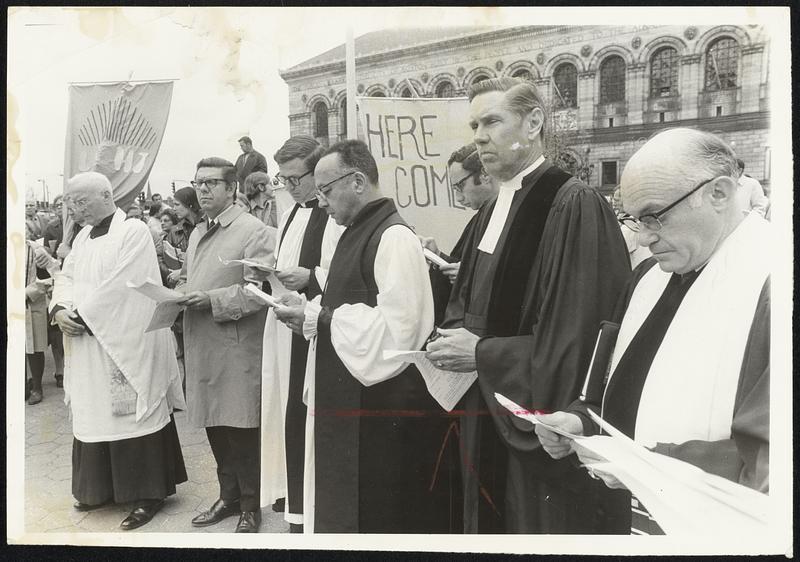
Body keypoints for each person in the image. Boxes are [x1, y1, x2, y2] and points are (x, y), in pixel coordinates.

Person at [535, 129, 770, 535]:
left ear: (719, 193)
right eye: (634, 219)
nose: (643, 238)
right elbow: (606, 384)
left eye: (654, 216)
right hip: (622, 509)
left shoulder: (772, 285)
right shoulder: (646, 277)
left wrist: (643, 463)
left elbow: (772, 464)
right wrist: (581, 423)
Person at [425, 77, 631, 534]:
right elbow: (466, 303)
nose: (478, 136)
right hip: (487, 410)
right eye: (475, 124)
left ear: (534, 121)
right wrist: (449, 339)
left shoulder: (574, 205)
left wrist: (481, 354)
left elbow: (577, 338)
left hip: (534, 424)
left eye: (493, 121)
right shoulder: (491, 209)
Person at [274, 140, 454, 533]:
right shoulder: (356, 231)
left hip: (377, 409)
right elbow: (350, 300)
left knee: (373, 513)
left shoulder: (394, 237)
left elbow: (399, 331)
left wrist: (320, 317)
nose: (320, 202)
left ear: (357, 181)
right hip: (348, 401)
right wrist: (311, 312)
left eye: (326, 190)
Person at [46, 172, 187, 531]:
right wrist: (60, 310)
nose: (74, 210)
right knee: (96, 412)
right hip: (86, 338)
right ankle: (101, 488)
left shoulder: (132, 231)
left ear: (107, 196)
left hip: (124, 340)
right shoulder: (81, 238)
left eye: (80, 201)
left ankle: (147, 494)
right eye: (70, 202)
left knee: (129, 411)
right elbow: (66, 277)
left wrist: (81, 316)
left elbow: (127, 285)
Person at [177, 157, 276, 533]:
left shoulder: (254, 230)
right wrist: (180, 290)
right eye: (198, 182)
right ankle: (228, 496)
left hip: (235, 346)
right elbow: (196, 277)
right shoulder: (199, 232)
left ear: (232, 188)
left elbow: (260, 291)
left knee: (240, 427)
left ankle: (252, 504)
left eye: (211, 183)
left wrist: (211, 300)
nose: (202, 189)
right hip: (203, 343)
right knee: (214, 425)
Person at [259, 136, 345, 533]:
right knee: (286, 410)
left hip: (313, 330)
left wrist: (312, 277)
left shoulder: (333, 215)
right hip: (285, 325)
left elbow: (343, 271)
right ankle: (293, 502)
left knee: (304, 415)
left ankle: (307, 509)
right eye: (284, 178)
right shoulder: (292, 212)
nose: (290, 186)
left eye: (297, 178)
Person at [420, 143, 499, 325]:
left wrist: (468, 277)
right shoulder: (481, 217)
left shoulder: (508, 216)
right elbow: (465, 265)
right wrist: (438, 256)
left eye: (460, 186)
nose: (458, 197)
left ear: (485, 175)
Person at [42, 195, 66, 388]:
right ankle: (60, 370)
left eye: (63, 205)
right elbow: (46, 255)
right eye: (57, 205)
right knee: (56, 328)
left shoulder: (80, 225)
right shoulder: (51, 228)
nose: (61, 208)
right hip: (57, 277)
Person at [613, 188, 653, 269]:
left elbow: (614, 253)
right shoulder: (645, 221)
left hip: (636, 271)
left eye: (617, 200)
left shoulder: (628, 227)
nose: (614, 204)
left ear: (627, 201)